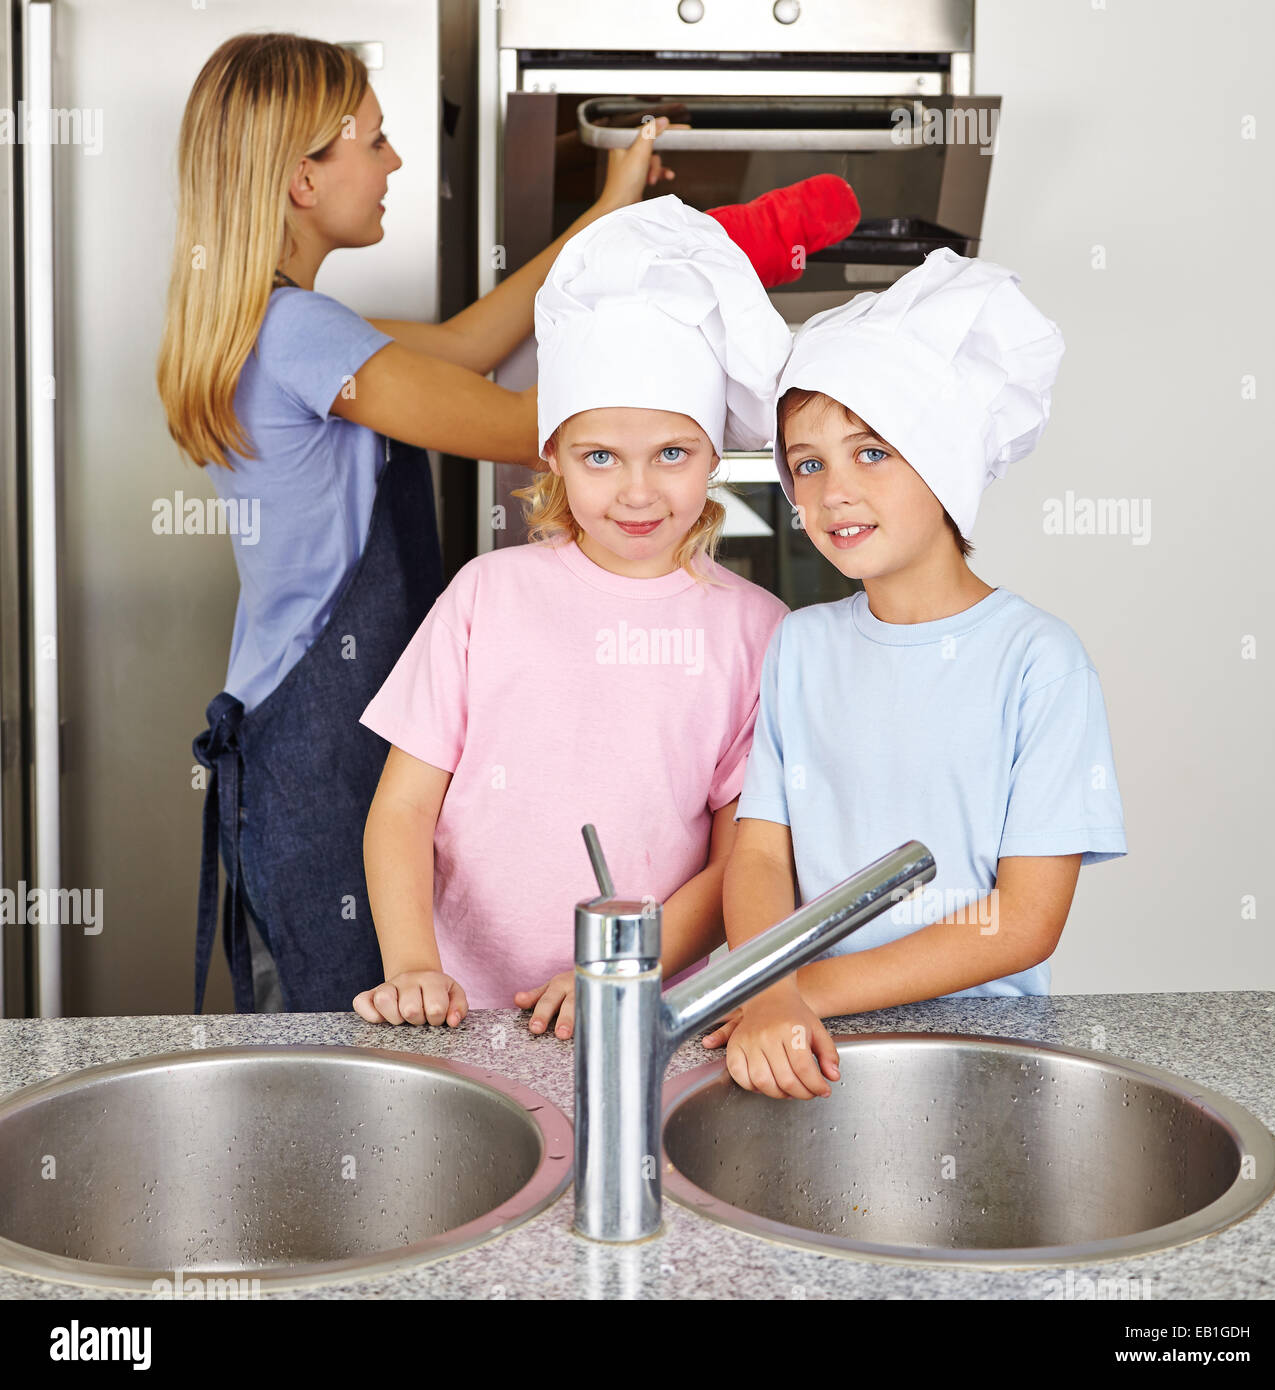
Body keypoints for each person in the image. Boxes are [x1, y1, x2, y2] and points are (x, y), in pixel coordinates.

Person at [157, 31, 680, 1013]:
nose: (394, 161)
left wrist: (608, 213)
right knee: (347, 1056)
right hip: (322, 752)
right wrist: (701, 378)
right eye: (374, 140)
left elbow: (462, 344)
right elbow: (526, 429)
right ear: (303, 178)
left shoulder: (273, 320)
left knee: (323, 1048)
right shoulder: (305, 333)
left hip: (293, 740)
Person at [351, 195, 792, 1034]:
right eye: (600, 457)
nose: (637, 491)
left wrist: (627, 973)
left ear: (714, 457)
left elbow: (743, 860)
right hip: (465, 1012)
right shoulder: (487, 593)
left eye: (672, 453)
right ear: (551, 452)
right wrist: (414, 966)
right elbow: (405, 809)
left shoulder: (756, 631)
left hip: (650, 1011)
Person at [702, 248, 1128, 1098]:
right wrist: (767, 985)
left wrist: (792, 991)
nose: (831, 494)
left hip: (979, 1046)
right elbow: (759, 856)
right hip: (802, 1038)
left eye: (872, 453)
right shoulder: (801, 646)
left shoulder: (1039, 661)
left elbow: (1023, 922)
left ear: (946, 463)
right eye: (808, 463)